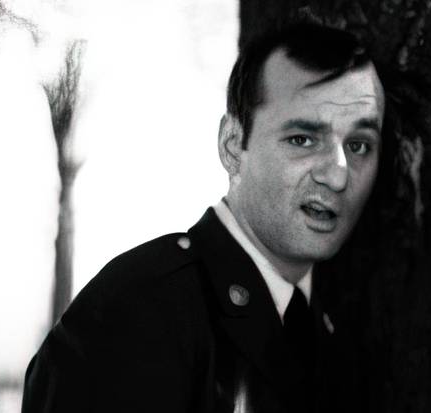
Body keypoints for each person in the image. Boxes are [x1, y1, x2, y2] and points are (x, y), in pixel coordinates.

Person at [22, 23, 385, 413]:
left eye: (358, 144)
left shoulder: (340, 327)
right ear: (232, 146)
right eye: (302, 139)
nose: (338, 175)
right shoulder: (138, 312)